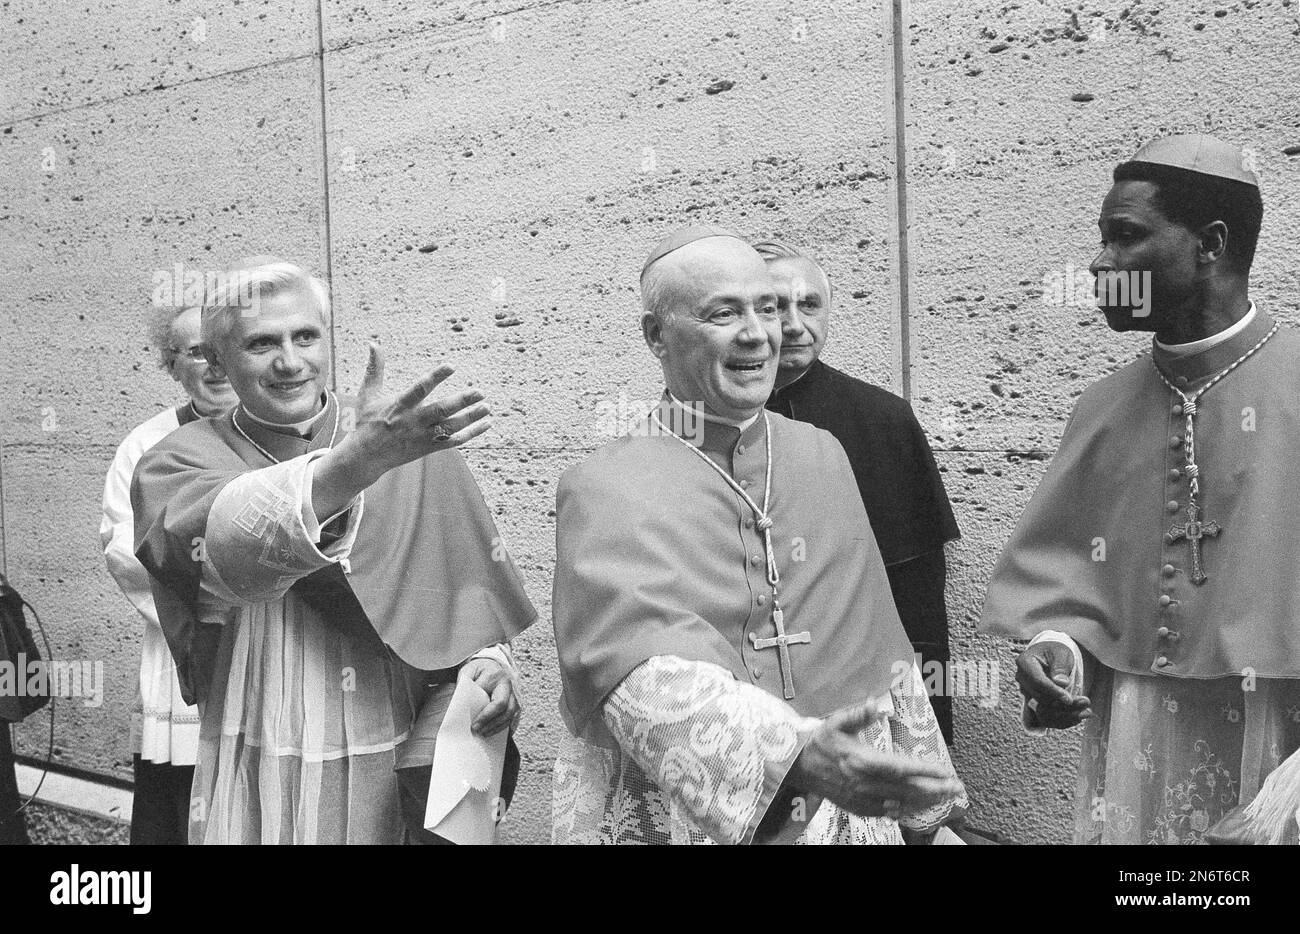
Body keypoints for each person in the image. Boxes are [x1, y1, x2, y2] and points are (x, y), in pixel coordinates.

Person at [551, 226, 966, 845]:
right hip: (705, 808)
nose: (759, 333)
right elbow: (636, 671)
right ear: (656, 336)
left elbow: (877, 634)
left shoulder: (822, 453)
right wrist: (796, 756)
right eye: (724, 313)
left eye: (766, 308)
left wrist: (924, 813)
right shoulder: (603, 484)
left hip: (849, 796)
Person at [131, 261, 536, 844]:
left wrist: (490, 660)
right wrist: (354, 465)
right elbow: (231, 548)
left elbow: (460, 576)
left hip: (392, 717)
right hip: (263, 719)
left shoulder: (400, 439)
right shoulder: (177, 457)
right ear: (217, 363)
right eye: (261, 343)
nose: (290, 362)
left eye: (305, 336)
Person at [981, 134, 1300, 844]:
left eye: (1124, 237)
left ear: (1211, 244)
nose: (1099, 263)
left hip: (1281, 741)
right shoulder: (1103, 407)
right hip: (1138, 741)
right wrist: (1060, 646)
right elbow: (1073, 581)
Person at [759, 240, 962, 742]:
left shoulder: (883, 419)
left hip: (855, 688)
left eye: (809, 305)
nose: (792, 324)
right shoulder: (707, 421)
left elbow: (917, 601)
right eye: (774, 307)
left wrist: (928, 733)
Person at [101, 302, 237, 844]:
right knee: (181, 810)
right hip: (184, 651)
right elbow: (124, 548)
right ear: (172, 365)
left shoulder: (281, 429)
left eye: (225, 347)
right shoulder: (145, 444)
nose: (215, 365)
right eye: (197, 352)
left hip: (279, 649)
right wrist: (226, 590)